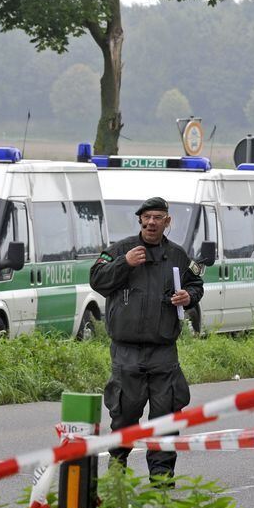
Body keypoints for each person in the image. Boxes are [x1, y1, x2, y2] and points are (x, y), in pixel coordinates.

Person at [89, 196, 204, 484]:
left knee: (165, 419)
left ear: (167, 222)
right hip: (126, 351)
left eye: (158, 218)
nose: (152, 222)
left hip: (163, 351)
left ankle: (162, 482)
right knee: (125, 417)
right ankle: (117, 477)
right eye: (147, 217)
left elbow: (196, 284)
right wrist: (124, 264)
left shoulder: (178, 255)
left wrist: (189, 297)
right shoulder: (121, 250)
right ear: (140, 220)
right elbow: (97, 280)